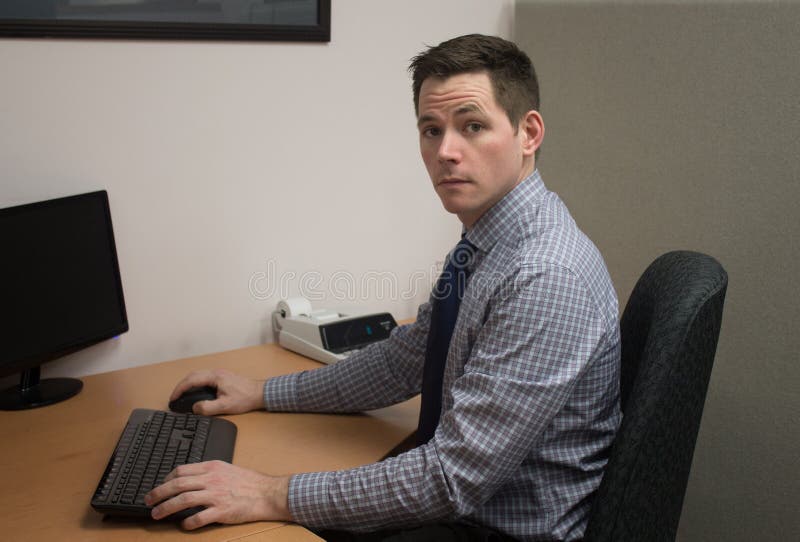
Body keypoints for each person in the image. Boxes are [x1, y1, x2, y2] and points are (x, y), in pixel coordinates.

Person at [145, 34, 621, 542]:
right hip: (462, 502)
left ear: (528, 134)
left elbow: (451, 479)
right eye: (431, 130)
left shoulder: (546, 276)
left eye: (473, 126)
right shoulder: (486, 243)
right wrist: (263, 391)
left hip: (498, 528)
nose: (446, 152)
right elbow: (405, 361)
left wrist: (268, 493)